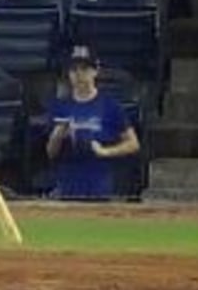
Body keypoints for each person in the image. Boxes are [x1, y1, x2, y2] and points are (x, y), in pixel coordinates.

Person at [45, 46, 140, 201]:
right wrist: (57, 135)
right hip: (68, 182)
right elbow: (51, 153)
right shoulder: (60, 106)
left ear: (95, 71)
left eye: (84, 69)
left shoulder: (110, 106)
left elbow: (133, 144)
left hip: (99, 182)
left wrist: (105, 151)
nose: (79, 75)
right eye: (74, 70)